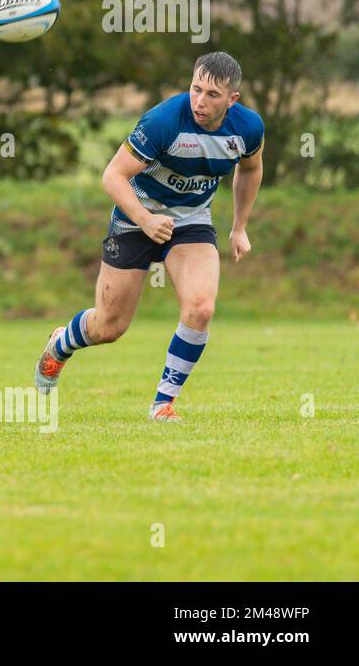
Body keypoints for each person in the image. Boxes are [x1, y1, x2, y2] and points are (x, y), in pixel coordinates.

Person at [34, 52, 265, 421]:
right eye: (195, 89)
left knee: (201, 307)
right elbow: (113, 176)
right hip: (135, 216)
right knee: (110, 327)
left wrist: (240, 226)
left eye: (212, 95)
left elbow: (251, 169)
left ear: (232, 100)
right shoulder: (163, 121)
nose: (200, 102)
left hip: (191, 221)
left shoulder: (248, 129)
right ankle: (60, 344)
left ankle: (163, 404)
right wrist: (144, 219)